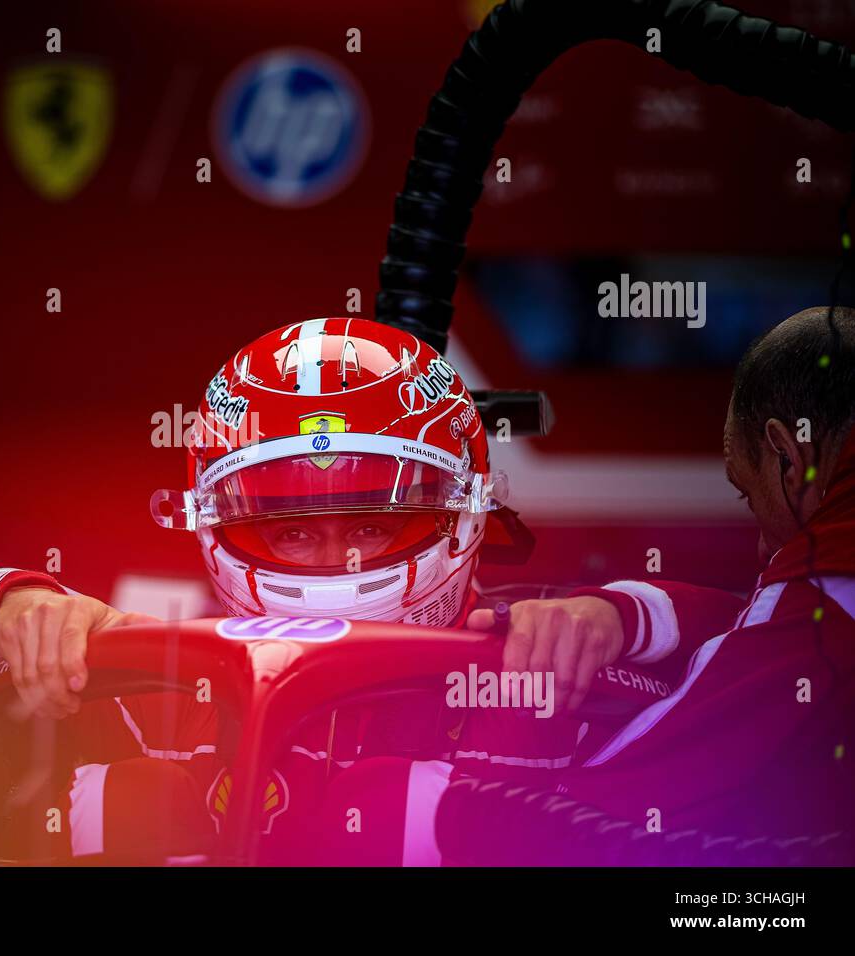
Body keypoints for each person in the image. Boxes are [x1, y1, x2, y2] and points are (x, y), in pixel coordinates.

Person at [0, 317, 650, 860]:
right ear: (214, 523)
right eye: (292, 530)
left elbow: (760, 648)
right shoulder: (156, 668)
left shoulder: (541, 661)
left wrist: (621, 616)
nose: (336, 559)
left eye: (374, 526)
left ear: (469, 508)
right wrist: (16, 604)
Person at [318, 306, 855, 865]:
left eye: (748, 495)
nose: (763, 551)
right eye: (293, 533)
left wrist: (432, 811)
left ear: (789, 460)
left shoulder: (826, 599)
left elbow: (632, 842)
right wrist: (623, 616)